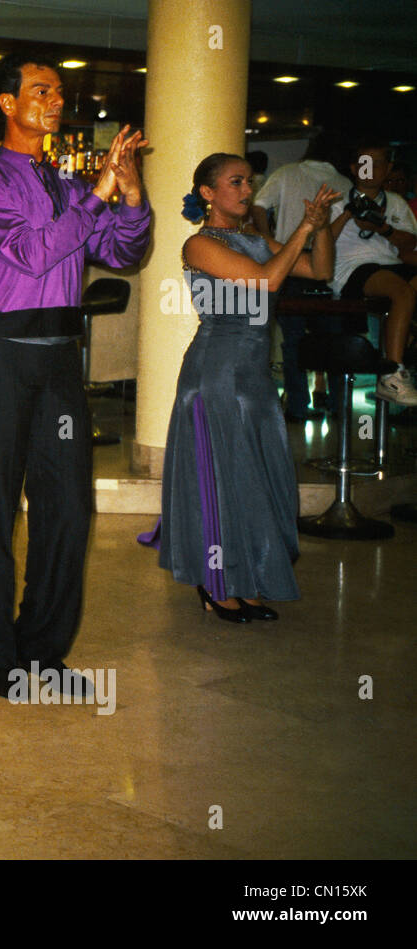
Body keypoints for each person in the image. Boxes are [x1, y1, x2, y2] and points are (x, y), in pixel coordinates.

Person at [0, 53, 151, 699]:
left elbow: (124, 250)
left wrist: (128, 191)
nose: (55, 100)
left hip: (60, 358)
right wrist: (96, 193)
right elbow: (36, 253)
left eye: (60, 92)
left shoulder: (66, 186)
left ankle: (42, 652)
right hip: (3, 357)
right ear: (7, 104)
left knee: (68, 504)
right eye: (41, 90)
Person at [153, 154, 337, 622]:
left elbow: (319, 272)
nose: (247, 190)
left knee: (253, 477)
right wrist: (300, 232)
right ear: (208, 193)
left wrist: (321, 225)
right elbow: (265, 280)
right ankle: (216, 584)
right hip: (217, 371)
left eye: (249, 182)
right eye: (236, 182)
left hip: (253, 374)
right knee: (220, 480)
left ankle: (247, 576)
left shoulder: (254, 239)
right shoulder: (200, 245)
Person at [251, 133, 352, 420]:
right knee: (332, 341)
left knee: (293, 341)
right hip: (325, 266)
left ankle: (297, 406)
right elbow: (336, 234)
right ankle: (338, 406)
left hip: (289, 261)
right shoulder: (344, 185)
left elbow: (259, 206)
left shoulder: (286, 173)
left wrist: (267, 240)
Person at [327, 141, 417, 405]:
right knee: (402, 291)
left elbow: (409, 244)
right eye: (366, 163)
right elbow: (321, 241)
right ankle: (392, 374)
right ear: (354, 168)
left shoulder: (396, 203)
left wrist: (381, 227)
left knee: (405, 289)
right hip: (351, 268)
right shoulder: (337, 198)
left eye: (378, 164)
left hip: (389, 264)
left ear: (388, 168)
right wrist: (348, 214)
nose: (371, 170)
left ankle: (404, 344)